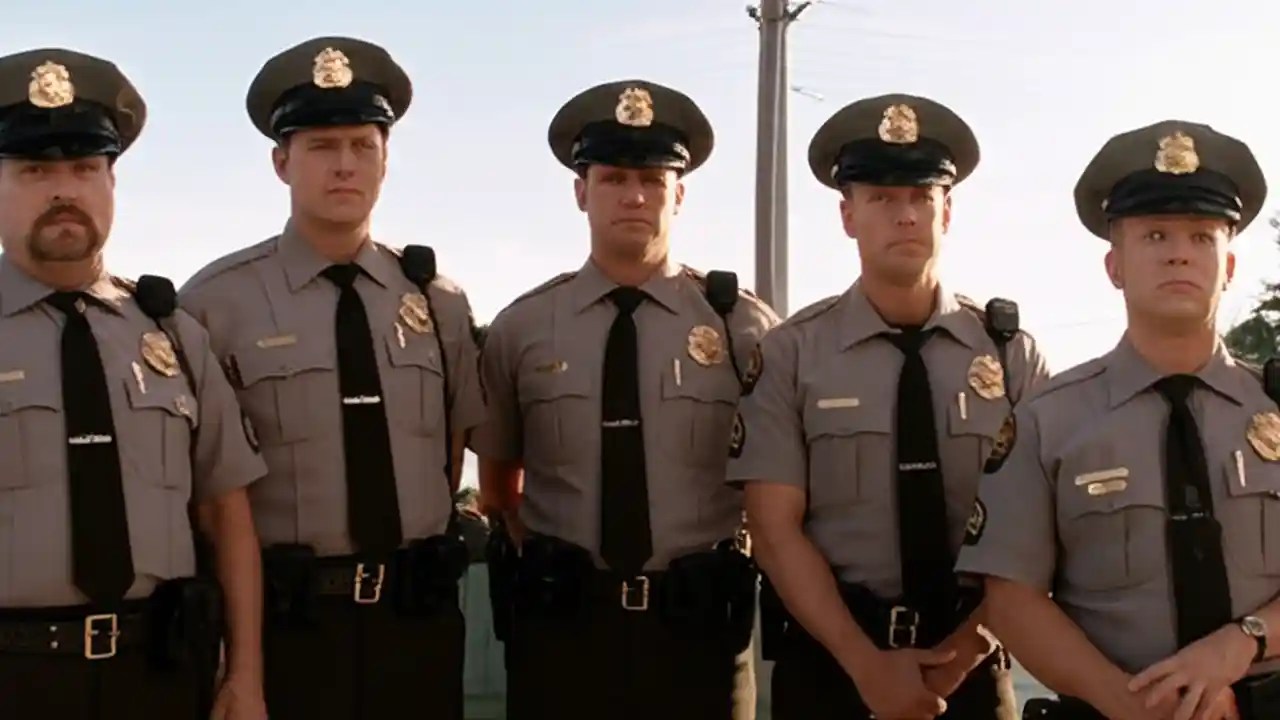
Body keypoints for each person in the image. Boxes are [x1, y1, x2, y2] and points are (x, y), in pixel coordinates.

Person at [178, 36, 486, 720]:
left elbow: (459, 441)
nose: (344, 165)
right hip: (287, 630)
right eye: (321, 147)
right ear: (281, 161)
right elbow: (204, 498)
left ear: (384, 159)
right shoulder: (214, 303)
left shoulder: (439, 301)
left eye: (361, 145)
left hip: (418, 624)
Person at [727, 93, 1051, 720]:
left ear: (946, 212)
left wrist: (959, 658)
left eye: (920, 198)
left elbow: (1038, 531)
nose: (905, 216)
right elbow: (772, 529)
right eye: (881, 198)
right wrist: (867, 666)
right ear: (848, 216)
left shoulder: (1011, 355)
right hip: (832, 667)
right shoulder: (793, 354)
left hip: (975, 666)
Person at [474, 78, 777, 720]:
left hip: (700, 638)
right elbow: (499, 489)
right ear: (581, 192)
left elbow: (777, 489)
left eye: (653, 180)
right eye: (613, 179)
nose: (635, 196)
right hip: (564, 637)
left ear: (679, 194)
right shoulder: (523, 328)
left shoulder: (743, 328)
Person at [957, 120, 1280, 720]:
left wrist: (1243, 641)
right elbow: (1011, 598)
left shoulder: (1274, 409)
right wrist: (1129, 706)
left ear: (1229, 264)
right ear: (1116, 266)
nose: (1180, 251)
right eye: (1155, 235)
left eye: (1202, 237)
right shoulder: (1049, 420)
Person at [0, 48, 268, 719]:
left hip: (159, 677)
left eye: (86, 168)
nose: (64, 190)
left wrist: (245, 676)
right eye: (36, 169)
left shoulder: (173, 333)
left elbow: (225, 516)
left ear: (112, 184)